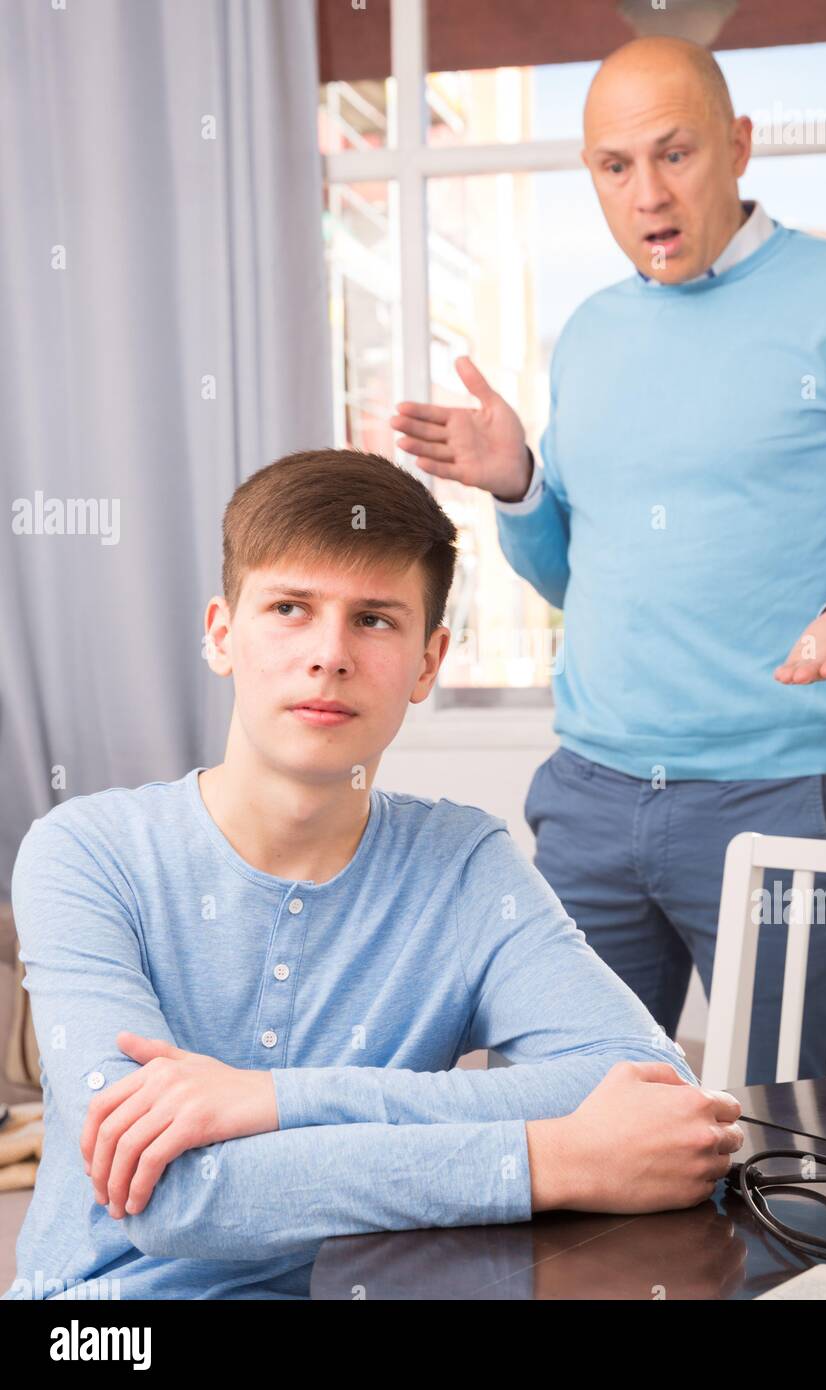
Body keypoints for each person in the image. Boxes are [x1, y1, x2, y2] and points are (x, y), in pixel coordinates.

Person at [3, 448, 744, 1302]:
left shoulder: (463, 863)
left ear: (428, 662)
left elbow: (648, 1087)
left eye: (375, 620)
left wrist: (274, 1099)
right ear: (221, 633)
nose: (329, 654)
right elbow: (171, 1197)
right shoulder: (85, 852)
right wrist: (547, 1159)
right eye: (290, 608)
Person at [391, 37, 826, 1085]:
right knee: (570, 1119)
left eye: (676, 154)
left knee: (781, 1137)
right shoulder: (590, 333)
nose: (648, 195)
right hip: (590, 795)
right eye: (616, 167)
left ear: (739, 144)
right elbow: (586, 581)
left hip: (777, 794)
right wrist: (519, 484)